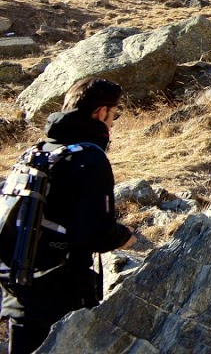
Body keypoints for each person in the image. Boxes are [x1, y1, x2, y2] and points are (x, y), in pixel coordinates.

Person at [1, 77, 136, 354]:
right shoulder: (90, 157)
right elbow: (95, 232)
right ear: (101, 112)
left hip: (19, 287)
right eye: (115, 115)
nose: (113, 124)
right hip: (61, 292)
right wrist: (124, 238)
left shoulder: (37, 152)